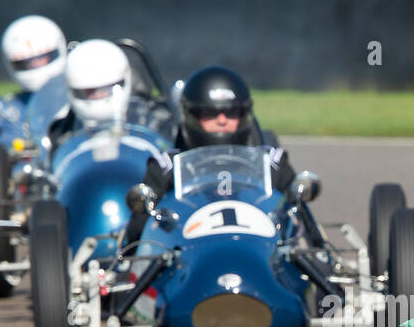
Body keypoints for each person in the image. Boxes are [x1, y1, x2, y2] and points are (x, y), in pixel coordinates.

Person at [121, 65, 297, 253]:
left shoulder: (272, 164)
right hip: (187, 262)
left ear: (244, 115)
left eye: (231, 113)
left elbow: (301, 227)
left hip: (262, 256)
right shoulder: (166, 167)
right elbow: (137, 238)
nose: (222, 120)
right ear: (191, 116)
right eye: (210, 114)